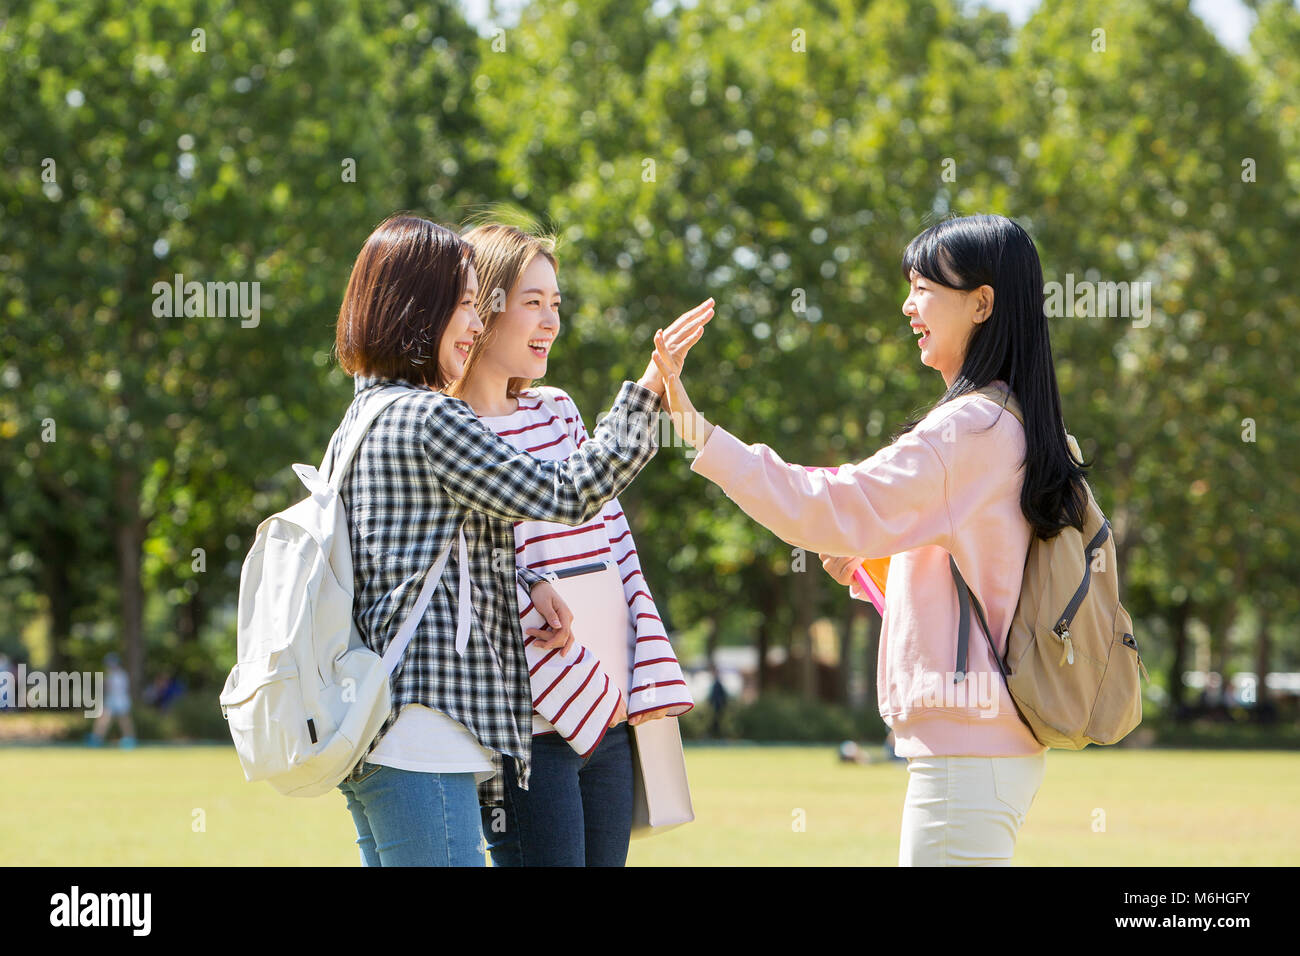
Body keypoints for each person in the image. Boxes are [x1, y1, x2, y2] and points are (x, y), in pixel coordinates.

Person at [653, 214, 1088, 866]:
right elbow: (985, 575)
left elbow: (826, 505)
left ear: (982, 302)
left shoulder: (970, 429)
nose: (908, 305)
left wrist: (696, 432)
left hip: (967, 754)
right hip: (988, 749)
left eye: (923, 287)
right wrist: (871, 571)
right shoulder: (1011, 421)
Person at [328, 213, 712, 866]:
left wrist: (530, 586)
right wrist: (649, 389)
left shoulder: (367, 414)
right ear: (422, 311)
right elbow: (568, 494)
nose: (475, 324)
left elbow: (425, 559)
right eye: (469, 306)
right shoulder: (428, 418)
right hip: (430, 735)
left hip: (394, 733)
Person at [452, 223, 694, 866]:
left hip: (605, 713)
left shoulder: (556, 409)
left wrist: (642, 668)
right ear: (484, 307)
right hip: (525, 729)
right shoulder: (446, 432)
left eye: (555, 303)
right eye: (532, 301)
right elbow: (466, 567)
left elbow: (613, 539)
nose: (550, 320)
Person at [88, 653, 135, 748]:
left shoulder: (120, 674)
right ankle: (96, 739)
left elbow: (111, 688)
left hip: (120, 700)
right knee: (103, 719)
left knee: (124, 721)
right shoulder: (112, 674)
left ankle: (129, 740)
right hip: (112, 699)